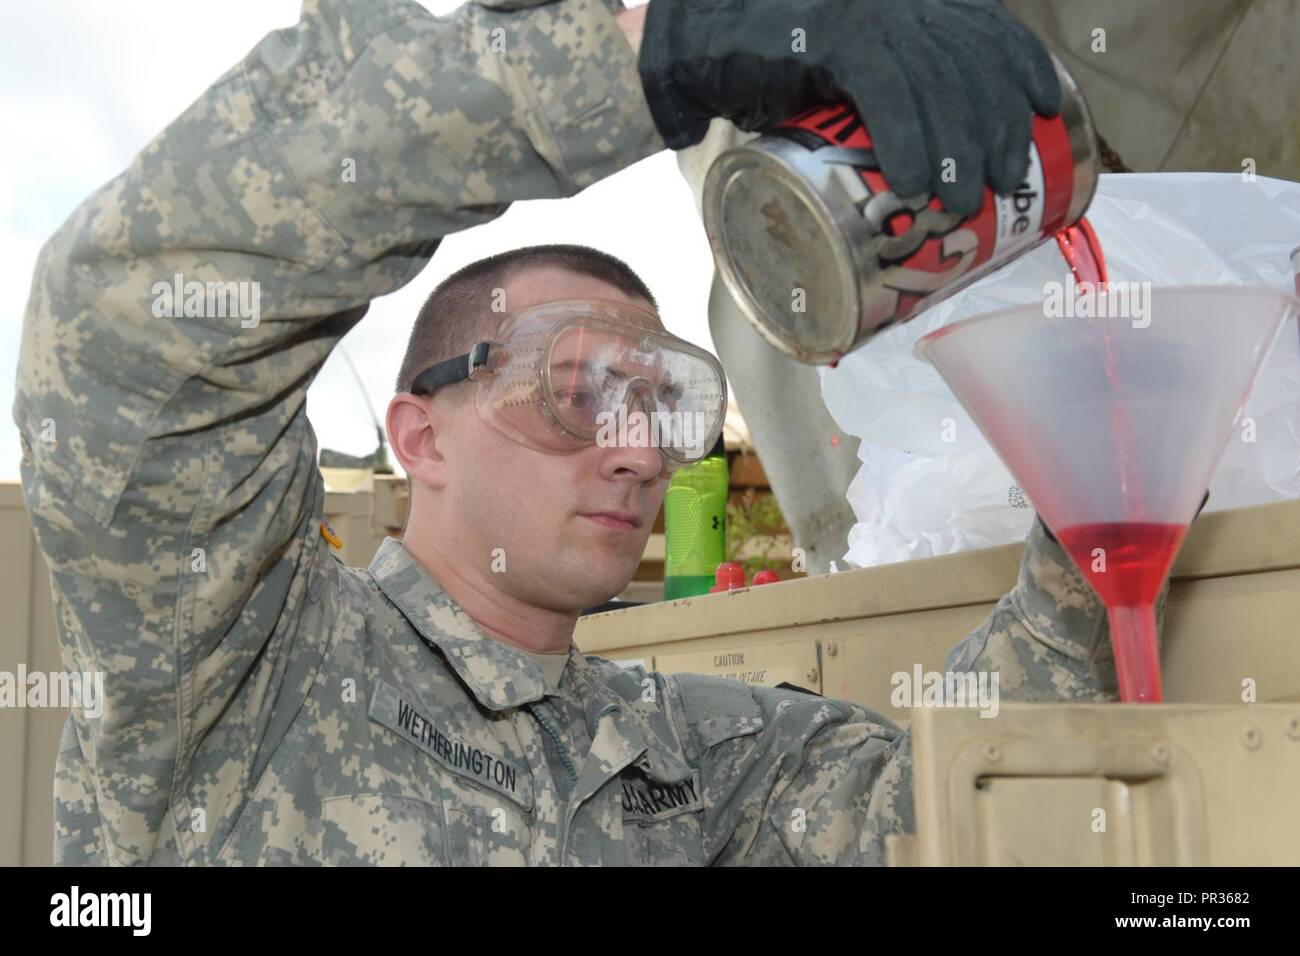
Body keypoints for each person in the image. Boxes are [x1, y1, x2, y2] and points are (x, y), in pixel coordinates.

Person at [14, 0, 1139, 866]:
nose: (640, 451)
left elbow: (942, 809)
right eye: (578, 388)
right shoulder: (243, 667)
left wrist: (1100, 485)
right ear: (422, 435)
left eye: (665, 403)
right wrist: (645, 53)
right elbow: (125, 318)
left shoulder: (683, 755)